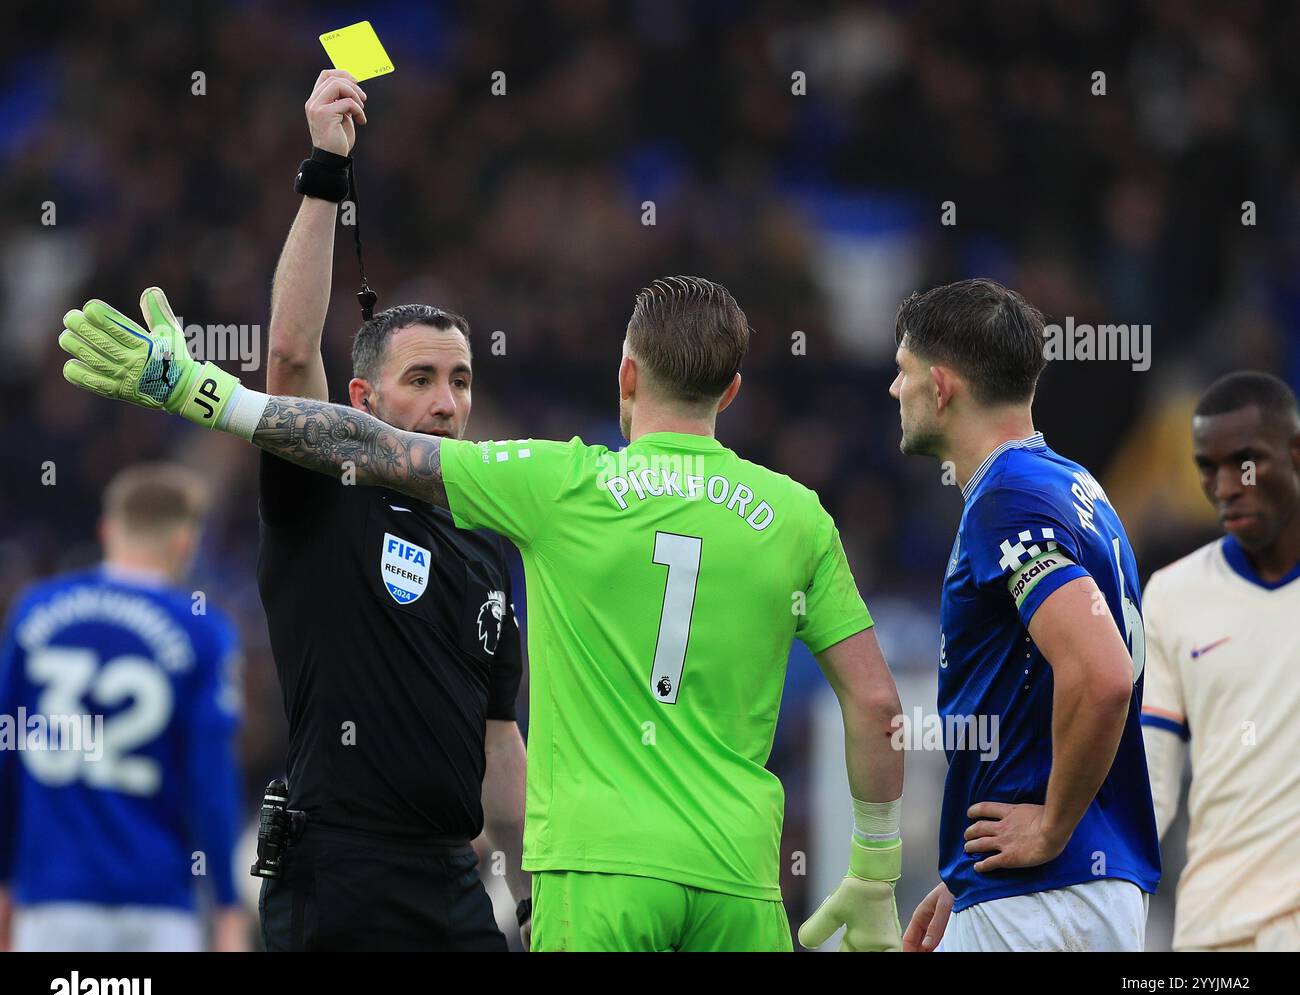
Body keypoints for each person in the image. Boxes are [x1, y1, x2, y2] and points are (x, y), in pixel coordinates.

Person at [58, 274, 906, 953]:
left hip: (596, 872)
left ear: (627, 376)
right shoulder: (799, 516)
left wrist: (202, 392)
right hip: (739, 877)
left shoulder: (560, 484)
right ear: (732, 386)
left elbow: (362, 444)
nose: (448, 400)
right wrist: (874, 869)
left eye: (458, 379)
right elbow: (876, 705)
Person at [252, 68, 528, 952]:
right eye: (422, 380)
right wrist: (325, 172)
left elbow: (499, 748)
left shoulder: (487, 552)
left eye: (461, 380)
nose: (448, 402)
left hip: (453, 880)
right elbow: (292, 359)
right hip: (341, 874)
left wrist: (532, 887)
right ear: (364, 401)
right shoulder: (327, 492)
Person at [889, 279, 1159, 952]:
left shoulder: (1009, 501)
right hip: (1057, 890)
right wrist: (964, 872)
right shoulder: (1074, 487)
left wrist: (1049, 828)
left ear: (941, 385)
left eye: (903, 373)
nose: (896, 391)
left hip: (1044, 896)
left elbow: (1102, 674)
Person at [0, 463, 245, 952]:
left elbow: (6, 753)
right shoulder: (203, 631)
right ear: (184, 543)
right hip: (157, 905)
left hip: (53, 901)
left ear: (108, 529)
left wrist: (5, 881)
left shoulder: (35, 611)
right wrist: (227, 905)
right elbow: (209, 778)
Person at [1142, 371, 1300, 952]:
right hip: (1216, 933)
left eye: (1246, 462)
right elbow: (1151, 784)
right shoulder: (1172, 595)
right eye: (1208, 467)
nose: (1226, 485)